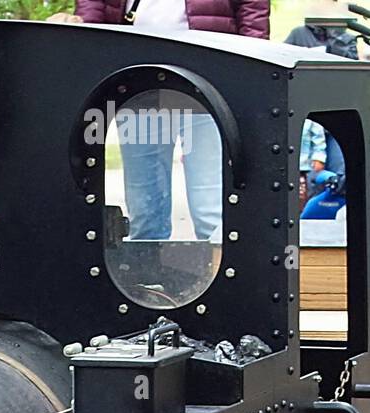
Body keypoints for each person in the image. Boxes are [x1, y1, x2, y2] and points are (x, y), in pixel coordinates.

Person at [72, 0, 269, 243]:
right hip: (136, 76)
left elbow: (252, 8)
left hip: (208, 76)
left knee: (211, 210)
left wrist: (251, 59)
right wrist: (87, 41)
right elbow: (92, 6)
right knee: (145, 211)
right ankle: (145, 277)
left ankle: (228, 276)